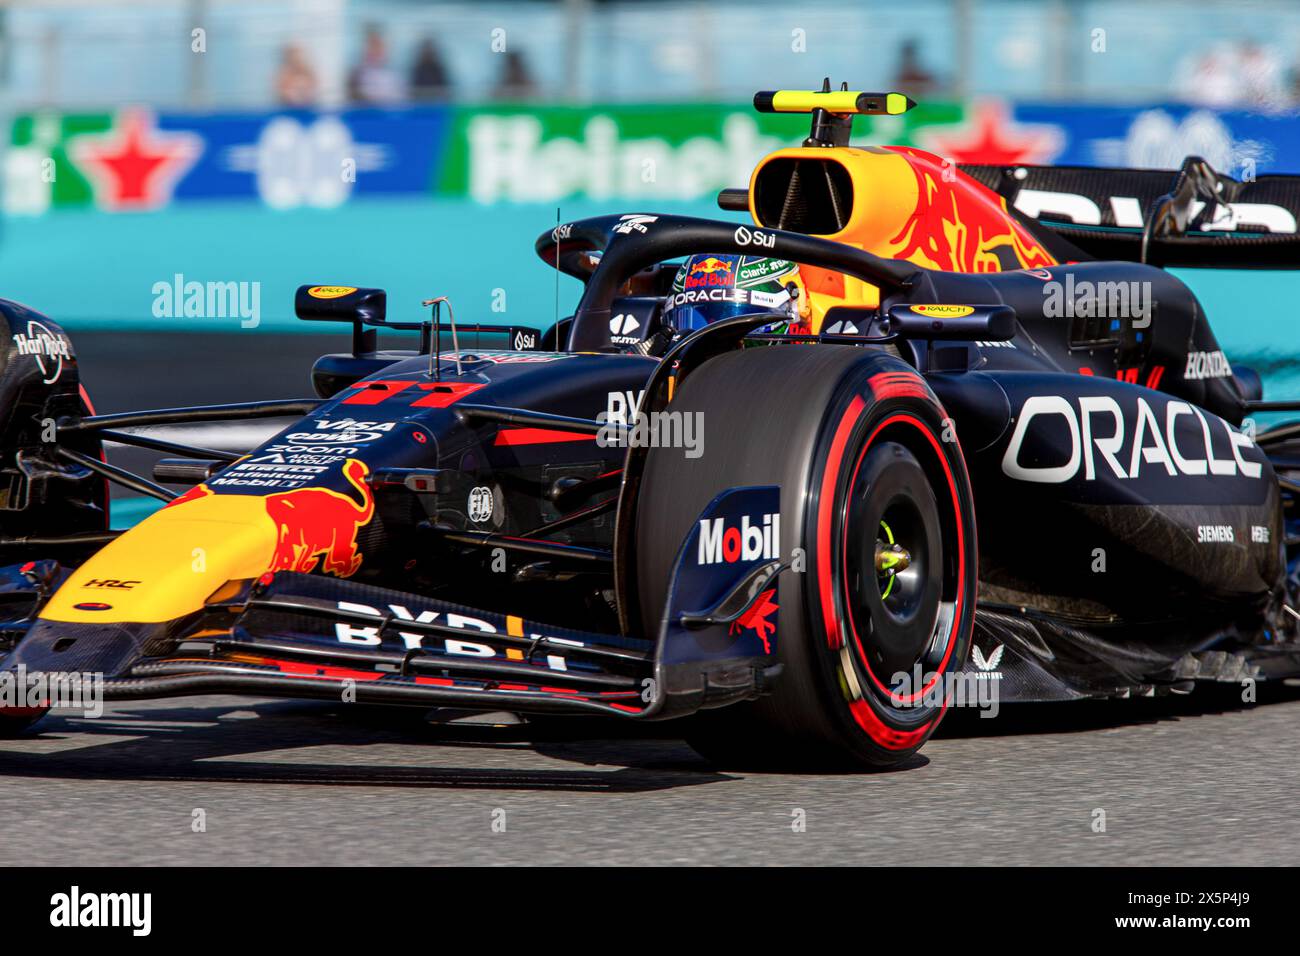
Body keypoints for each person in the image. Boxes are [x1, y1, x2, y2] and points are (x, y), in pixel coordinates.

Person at [348, 24, 404, 105]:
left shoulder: (394, 75)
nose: (376, 51)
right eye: (373, 46)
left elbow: (401, 99)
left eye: (379, 47)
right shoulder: (356, 74)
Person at [410, 37, 452, 101]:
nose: (428, 52)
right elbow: (414, 90)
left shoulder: (438, 69)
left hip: (437, 102)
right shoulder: (418, 69)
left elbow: (445, 88)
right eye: (426, 50)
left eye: (430, 50)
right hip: (421, 102)